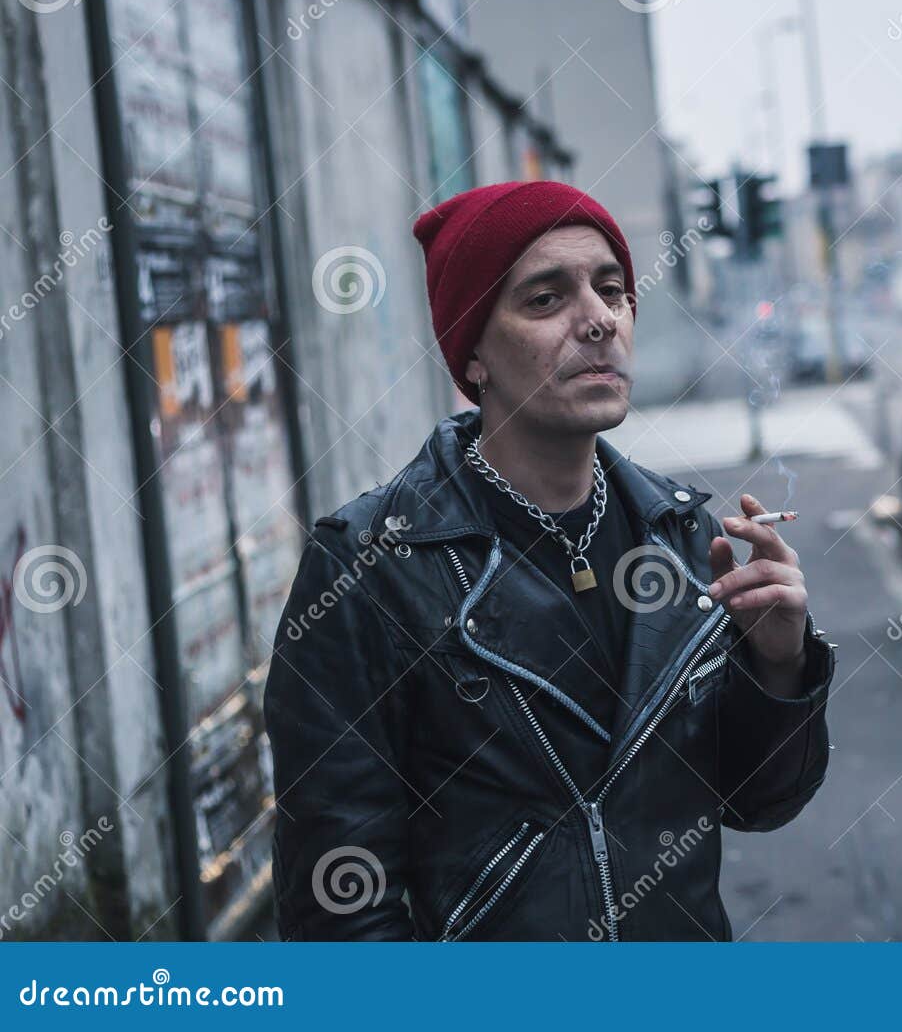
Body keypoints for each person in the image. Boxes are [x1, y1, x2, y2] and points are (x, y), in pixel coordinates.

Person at [263, 180, 834, 940]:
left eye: (611, 290)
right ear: (474, 357)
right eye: (544, 299)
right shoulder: (372, 566)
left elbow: (760, 801)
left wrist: (779, 664)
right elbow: (338, 905)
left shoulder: (684, 534)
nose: (597, 320)